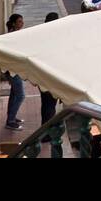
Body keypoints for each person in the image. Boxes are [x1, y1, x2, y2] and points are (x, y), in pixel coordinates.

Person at [38, 13, 60, 147]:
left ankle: (45, 130)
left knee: (46, 104)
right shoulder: (55, 36)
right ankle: (47, 133)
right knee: (50, 105)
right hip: (50, 76)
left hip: (41, 76)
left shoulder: (42, 34)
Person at [3, 14, 25, 130]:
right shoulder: (12, 35)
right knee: (20, 95)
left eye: (22, 21)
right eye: (20, 21)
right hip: (12, 70)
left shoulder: (15, 33)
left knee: (14, 94)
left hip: (14, 69)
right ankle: (10, 121)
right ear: (14, 23)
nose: (22, 23)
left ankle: (11, 117)